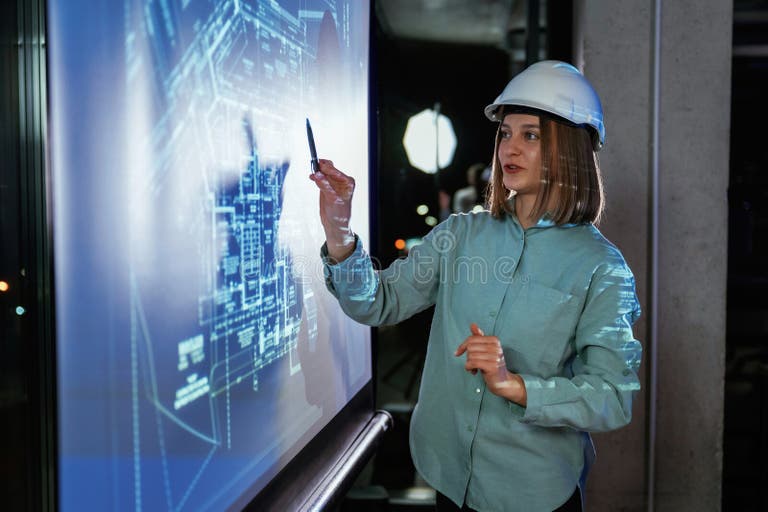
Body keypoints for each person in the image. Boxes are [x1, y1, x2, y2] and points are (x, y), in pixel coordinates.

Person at [309, 60, 642, 512]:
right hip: (446, 473)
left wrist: (515, 385)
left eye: (531, 135)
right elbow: (378, 302)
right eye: (505, 133)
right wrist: (340, 231)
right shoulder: (460, 234)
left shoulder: (603, 268)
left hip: (533, 494)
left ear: (569, 151)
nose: (510, 148)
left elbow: (612, 397)